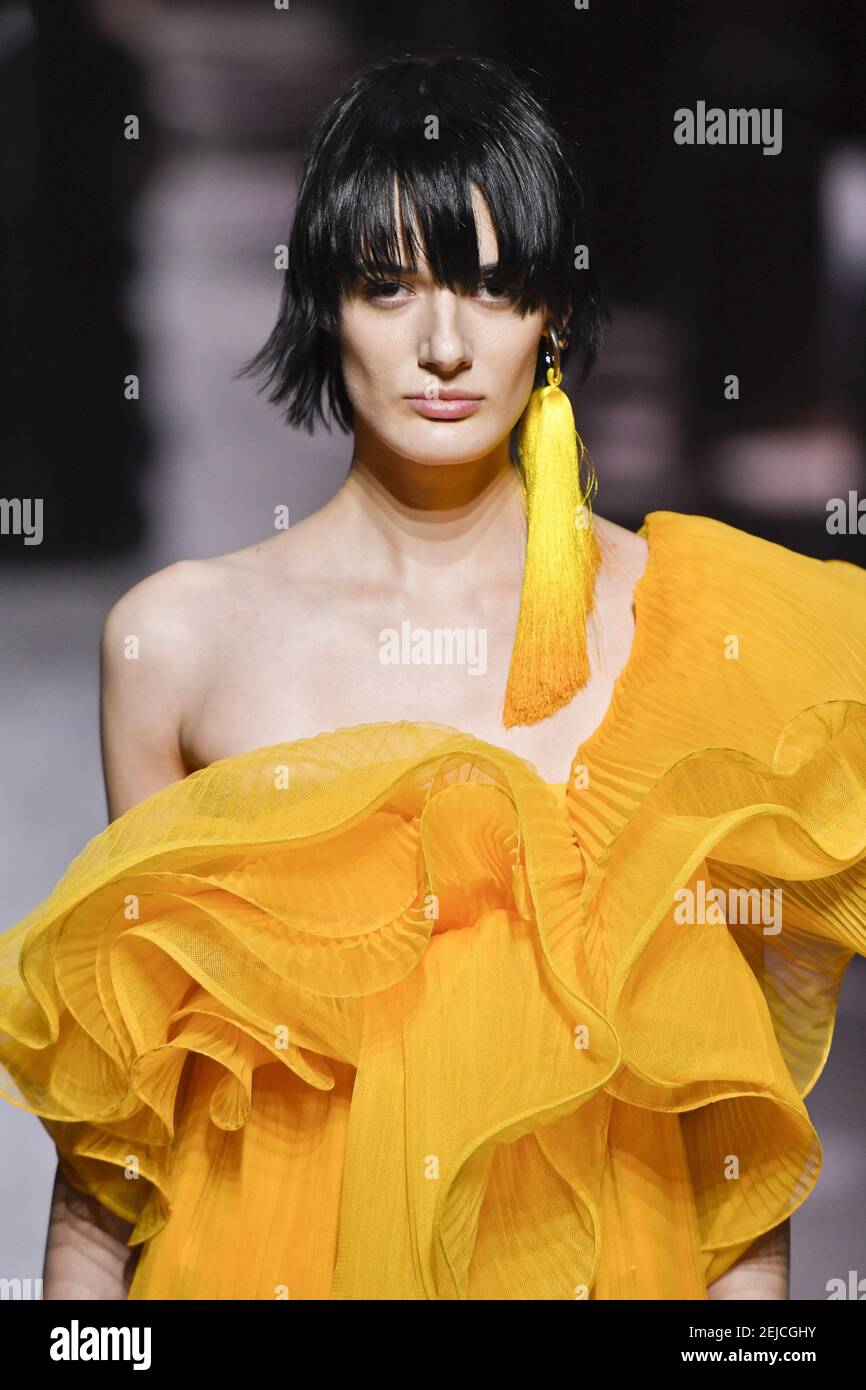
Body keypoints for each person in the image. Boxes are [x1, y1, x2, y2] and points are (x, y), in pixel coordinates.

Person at [2, 52, 865, 1302]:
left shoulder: (694, 630)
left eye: (493, 284)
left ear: (551, 318)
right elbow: (122, 1120)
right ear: (321, 304)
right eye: (388, 283)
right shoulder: (179, 645)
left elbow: (729, 1146)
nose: (445, 344)